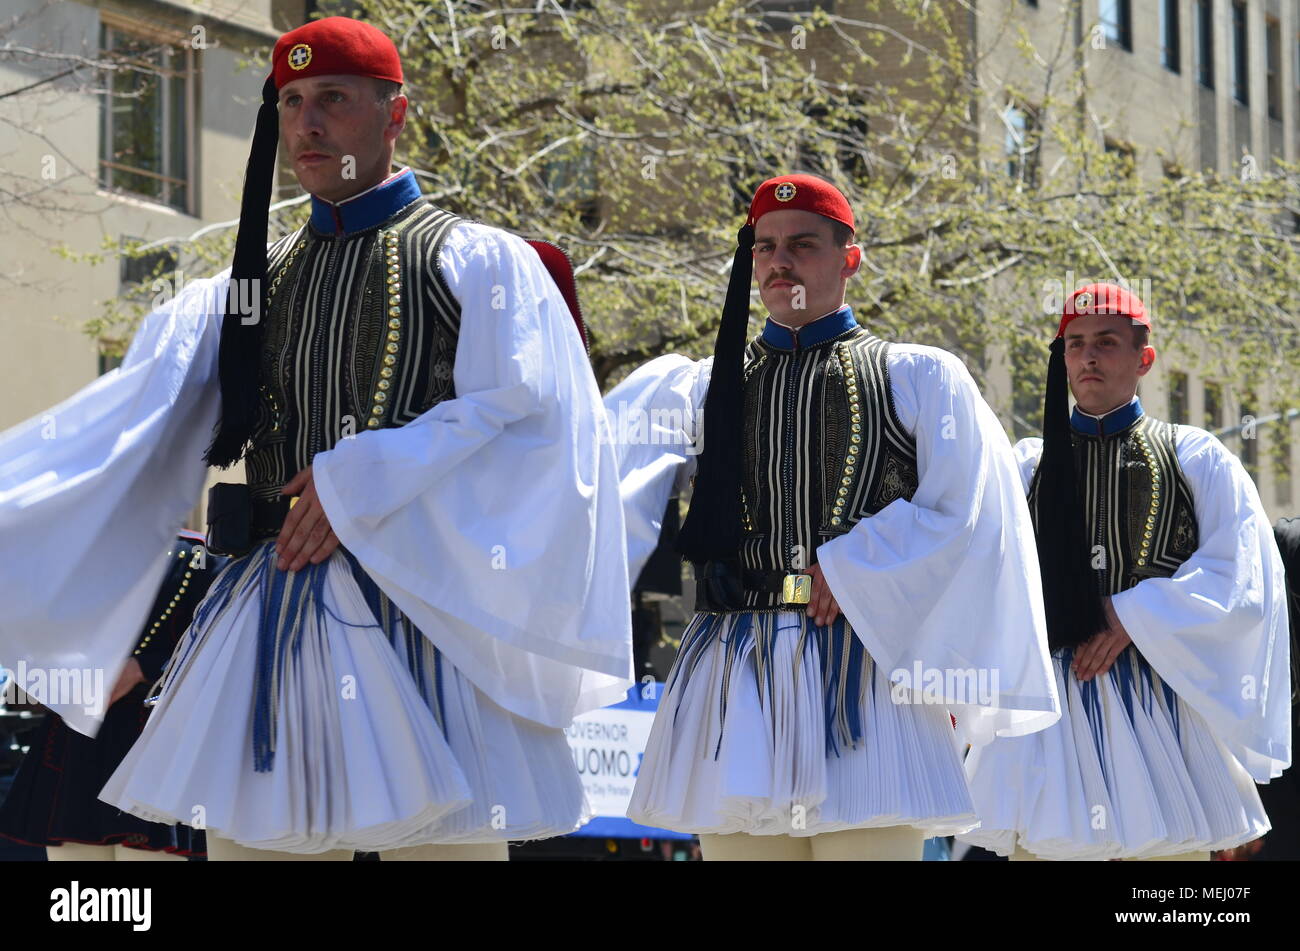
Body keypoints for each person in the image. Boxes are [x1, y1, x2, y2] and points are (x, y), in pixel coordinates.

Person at [0, 15, 633, 860]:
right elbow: (121, 429)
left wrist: (361, 480)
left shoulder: (483, 263)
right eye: (292, 101)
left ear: (393, 112)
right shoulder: (243, 292)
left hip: (424, 616)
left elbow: (537, 418)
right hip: (269, 617)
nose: (306, 122)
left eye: (332, 98)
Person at [603, 173, 1060, 860]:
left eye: (804, 244)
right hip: (736, 669)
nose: (780, 261)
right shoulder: (698, 387)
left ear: (851, 257)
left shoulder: (919, 378)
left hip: (865, 675)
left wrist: (854, 566)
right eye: (766, 247)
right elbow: (598, 488)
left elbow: (970, 514)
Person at [958, 283, 1291, 860]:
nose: (1088, 357)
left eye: (1106, 343)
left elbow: (1244, 581)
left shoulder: (1197, 456)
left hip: (1162, 713)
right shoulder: (1024, 465)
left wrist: (1132, 614)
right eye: (1076, 344)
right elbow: (980, 573)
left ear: (1144, 359)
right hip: (1051, 721)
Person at [0, 532, 224, 861]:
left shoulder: (201, 557)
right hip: (73, 751)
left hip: (152, 745)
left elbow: (223, 648)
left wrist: (143, 667)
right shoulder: (59, 558)